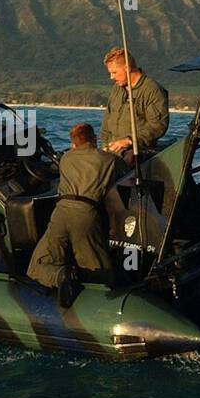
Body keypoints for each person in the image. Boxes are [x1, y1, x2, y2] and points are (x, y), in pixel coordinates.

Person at [27, 123, 127, 306]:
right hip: (85, 214)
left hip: (60, 212)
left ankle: (59, 276)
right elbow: (124, 170)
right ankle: (107, 300)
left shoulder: (65, 158)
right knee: (96, 265)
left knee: (38, 264)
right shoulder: (108, 160)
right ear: (94, 138)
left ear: (73, 142)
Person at [100, 46, 169, 162]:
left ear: (127, 68)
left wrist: (129, 140)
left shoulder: (152, 90)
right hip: (111, 152)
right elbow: (107, 123)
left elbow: (157, 126)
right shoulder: (116, 89)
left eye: (114, 72)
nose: (111, 77)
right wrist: (105, 145)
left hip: (136, 152)